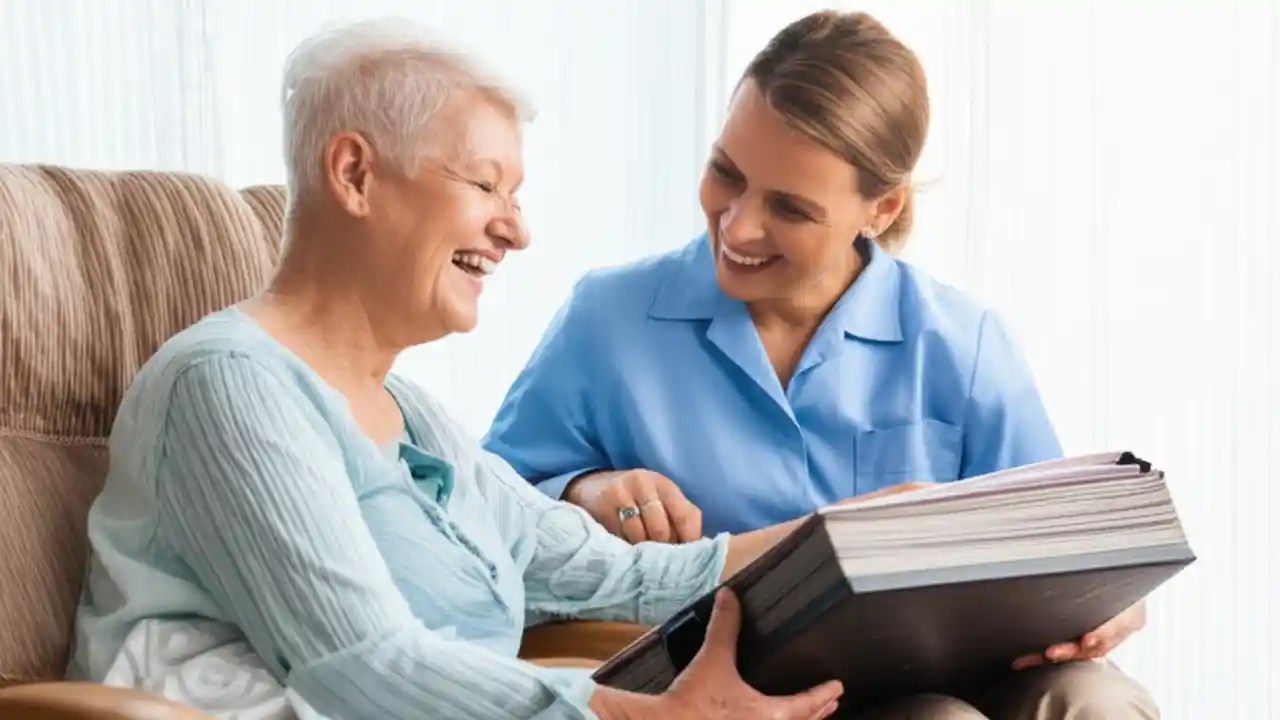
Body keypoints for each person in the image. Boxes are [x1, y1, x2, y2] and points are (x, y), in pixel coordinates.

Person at [67, 20, 859, 720]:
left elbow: (619, 577)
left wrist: (859, 534)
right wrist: (629, 714)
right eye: (485, 184)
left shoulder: (415, 420)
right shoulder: (228, 385)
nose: (516, 229)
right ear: (353, 174)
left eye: (515, 193)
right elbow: (361, 667)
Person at [485, 10, 1159, 719]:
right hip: (722, 689)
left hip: (934, 669)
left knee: (1095, 700)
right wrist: (587, 490)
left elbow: (1053, 541)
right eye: (726, 173)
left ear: (882, 206)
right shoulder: (609, 317)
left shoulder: (964, 342)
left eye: (791, 208)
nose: (738, 225)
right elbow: (476, 511)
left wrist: (1106, 605)